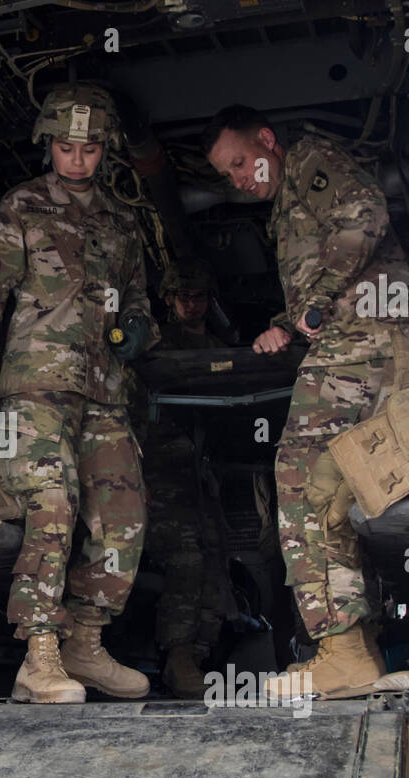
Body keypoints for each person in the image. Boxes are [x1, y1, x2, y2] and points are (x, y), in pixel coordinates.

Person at [202, 105, 409, 698]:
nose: (240, 181)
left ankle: (343, 649)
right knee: (340, 483)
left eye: (240, 164)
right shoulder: (286, 203)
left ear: (268, 142)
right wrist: (286, 323)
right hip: (360, 337)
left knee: (302, 476)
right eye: (228, 176)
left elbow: (365, 214)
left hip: (361, 342)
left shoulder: (309, 161)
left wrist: (318, 303)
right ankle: (356, 648)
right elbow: (324, 285)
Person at [0, 84, 157, 703]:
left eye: (89, 149)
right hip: (35, 388)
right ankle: (38, 657)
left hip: (104, 392)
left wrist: (139, 330)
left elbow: (139, 303)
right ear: (49, 145)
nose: (77, 160)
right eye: (66, 148)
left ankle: (85, 646)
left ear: (106, 151)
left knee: (124, 519)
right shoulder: (23, 207)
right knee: (52, 507)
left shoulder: (123, 223)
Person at [143, 259, 238, 696]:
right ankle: (178, 656)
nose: (193, 304)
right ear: (169, 300)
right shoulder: (160, 344)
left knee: (218, 560)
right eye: (185, 297)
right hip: (164, 472)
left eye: (200, 297)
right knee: (186, 559)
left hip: (204, 475)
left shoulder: (222, 346)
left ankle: (201, 654)